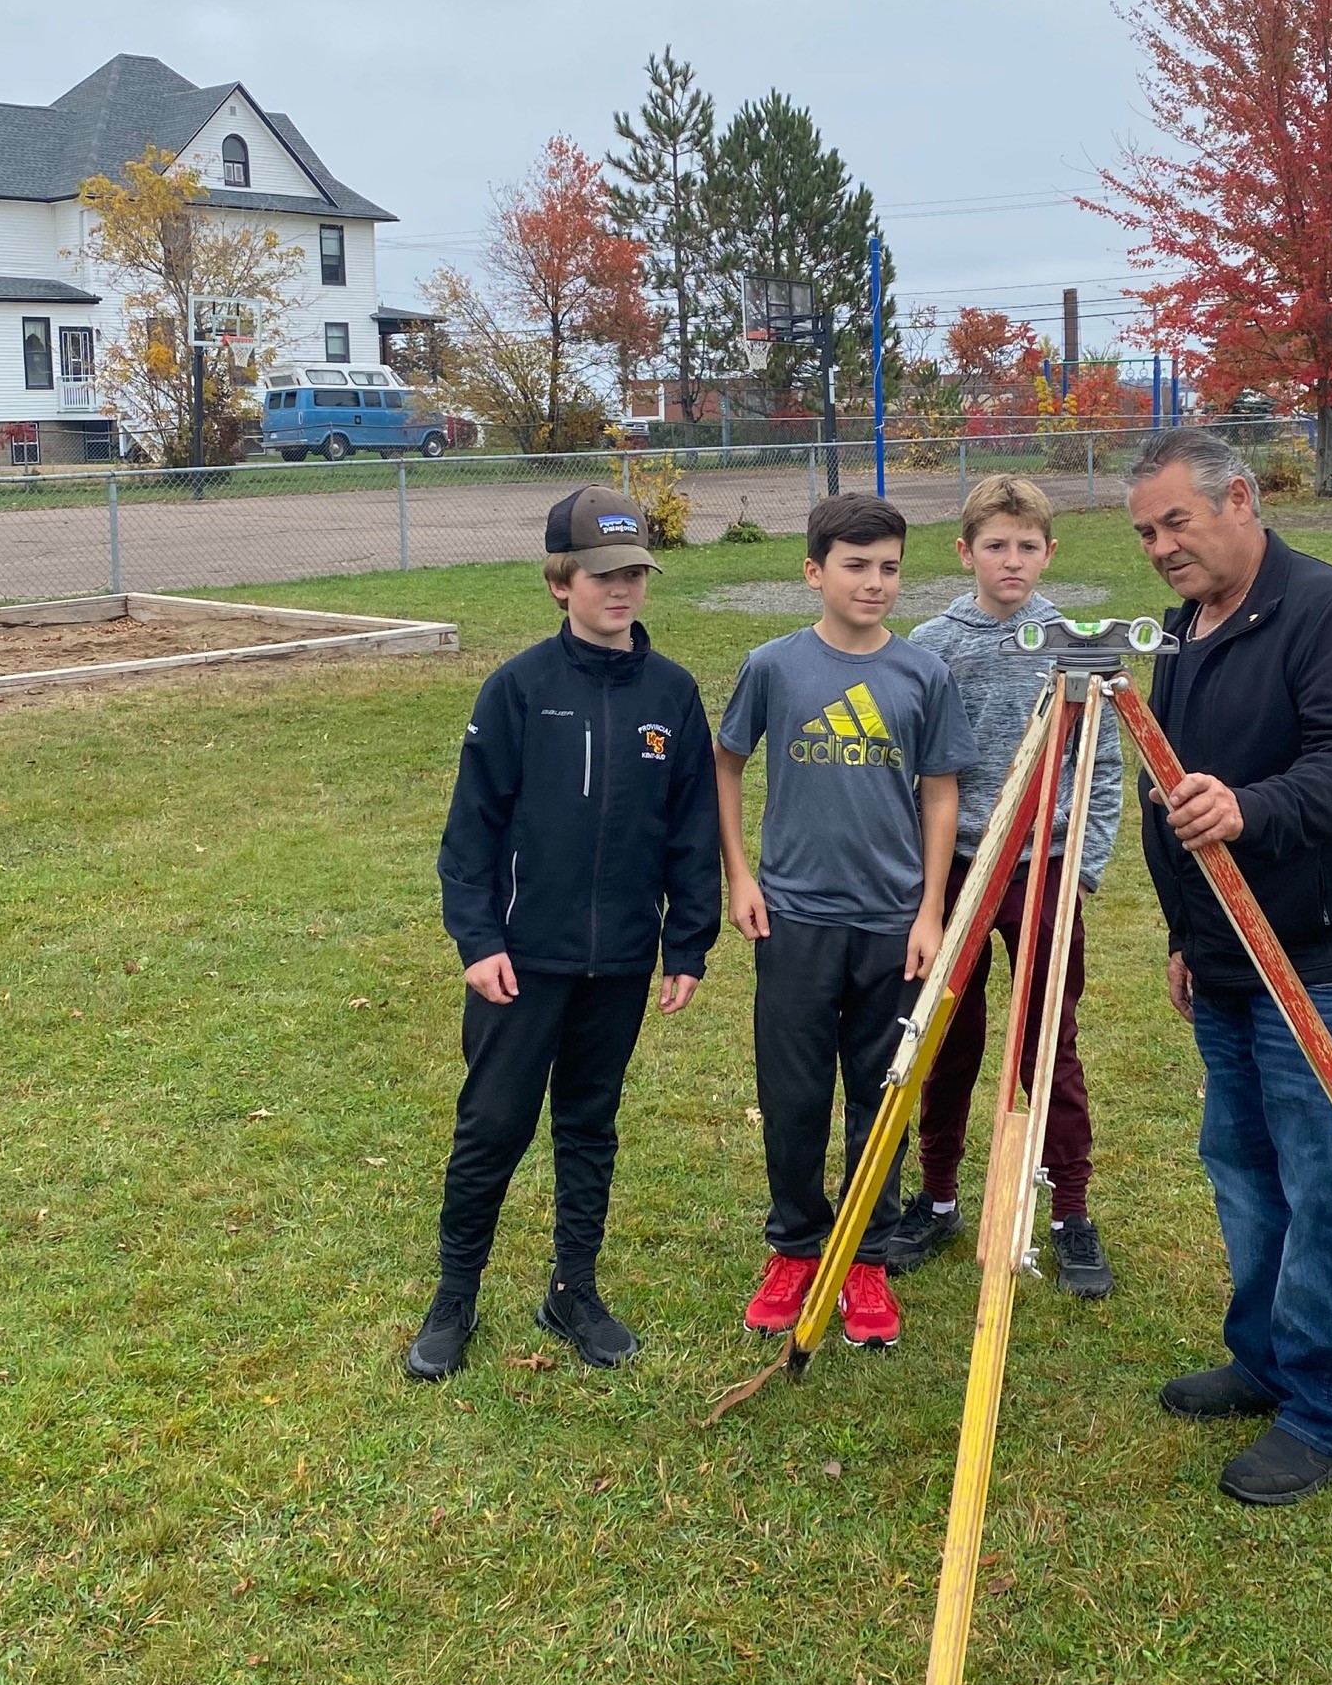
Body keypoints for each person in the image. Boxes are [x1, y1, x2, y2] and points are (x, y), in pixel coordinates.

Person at [1126, 429, 1332, 1508]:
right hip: (1227, 957)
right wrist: (1184, 933)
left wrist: (1253, 807)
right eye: (1147, 532)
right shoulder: (1181, 630)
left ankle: (1322, 1412)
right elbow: (1167, 791)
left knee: (1330, 1183)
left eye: (1178, 521)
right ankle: (1263, 1356)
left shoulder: (1329, 611)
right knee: (1244, 1166)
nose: (1162, 545)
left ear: (1242, 498)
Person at [406, 487, 719, 1381]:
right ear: (560, 581)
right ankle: (454, 1297)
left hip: (619, 961)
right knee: (492, 1128)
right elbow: (469, 838)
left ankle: (572, 1290)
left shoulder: (672, 695)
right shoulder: (518, 690)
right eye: (601, 574)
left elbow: (692, 833)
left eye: (634, 574)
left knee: (590, 1127)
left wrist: (686, 944)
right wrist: (479, 942)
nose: (621, 590)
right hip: (522, 962)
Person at [717, 494, 976, 1353]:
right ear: (814, 572)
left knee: (880, 1096)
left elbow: (942, 794)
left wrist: (932, 909)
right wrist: (741, 873)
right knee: (792, 1096)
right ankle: (795, 1246)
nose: (874, 582)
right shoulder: (775, 667)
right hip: (792, 918)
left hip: (893, 924)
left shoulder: (922, 675)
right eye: (855, 565)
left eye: (890, 567)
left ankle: (864, 1253)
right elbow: (726, 764)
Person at [887, 474, 1124, 1296]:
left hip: (1044, 864)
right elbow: (912, 769)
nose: (1012, 560)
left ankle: (1070, 1211)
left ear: (1048, 552)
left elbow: (1104, 765)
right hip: (957, 867)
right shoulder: (932, 646)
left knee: (1048, 1039)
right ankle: (940, 1193)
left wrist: (1083, 863)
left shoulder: (1072, 639)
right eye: (996, 545)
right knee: (946, 1033)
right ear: (966, 553)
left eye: (1027, 546)